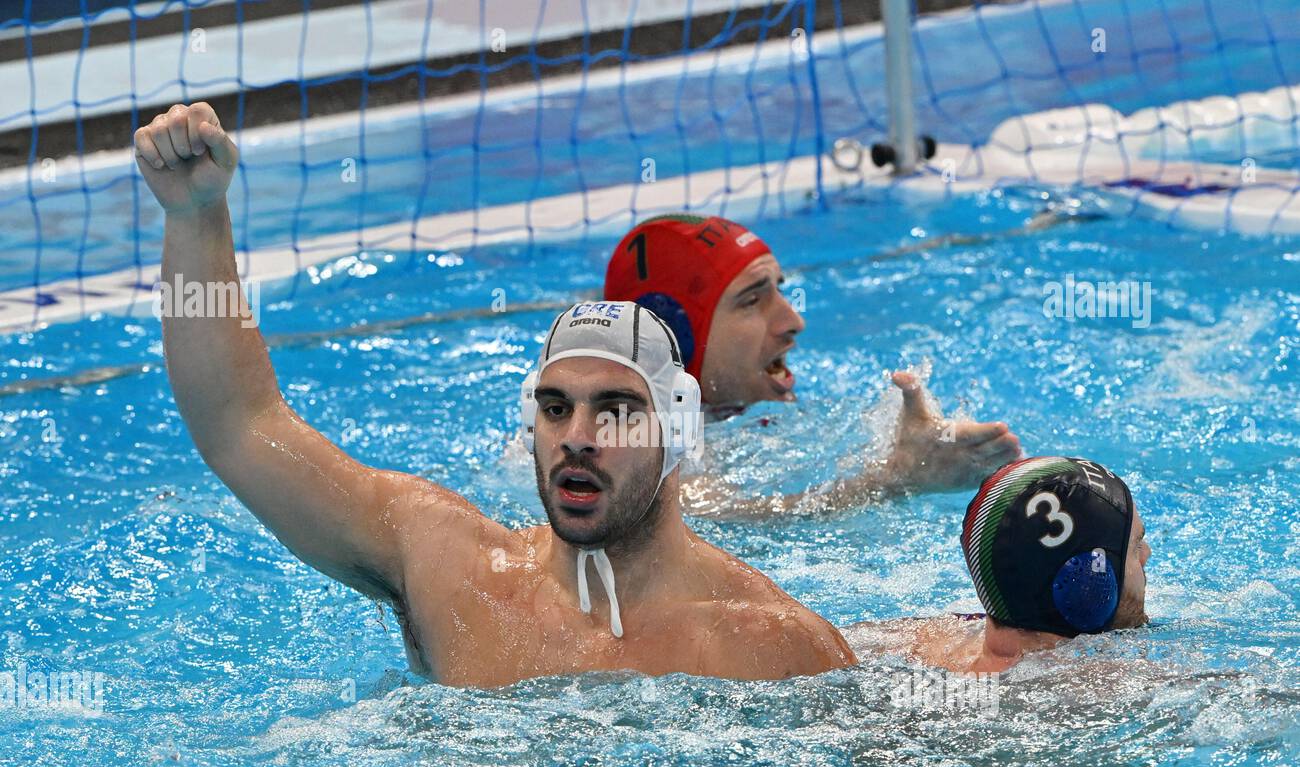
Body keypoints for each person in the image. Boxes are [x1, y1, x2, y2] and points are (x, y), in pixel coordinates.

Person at [132, 102, 857, 687]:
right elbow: (239, 423)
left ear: (679, 434)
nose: (578, 434)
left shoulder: (771, 644)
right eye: (555, 407)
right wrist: (196, 217)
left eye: (616, 410)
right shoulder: (453, 575)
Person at [604, 214, 1024, 515]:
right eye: (752, 300)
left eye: (779, 291)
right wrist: (895, 481)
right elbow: (707, 520)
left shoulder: (734, 416)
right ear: (674, 333)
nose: (793, 322)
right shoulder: (630, 443)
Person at [848, 456, 1151, 674]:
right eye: (1135, 545)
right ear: (1087, 581)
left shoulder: (908, 641)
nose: (1146, 554)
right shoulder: (1104, 687)